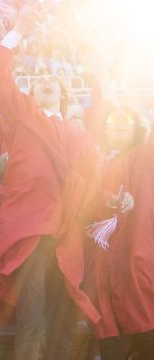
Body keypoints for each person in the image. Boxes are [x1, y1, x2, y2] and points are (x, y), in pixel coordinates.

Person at [0, 8, 100, 360]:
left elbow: (95, 179)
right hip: (32, 228)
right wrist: (18, 30)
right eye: (40, 80)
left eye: (53, 80)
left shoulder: (79, 134)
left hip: (67, 231)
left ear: (63, 93)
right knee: (32, 317)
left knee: (62, 321)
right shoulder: (25, 116)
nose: (46, 81)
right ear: (31, 93)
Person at [90, 106, 154, 359]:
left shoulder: (144, 158)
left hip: (134, 255)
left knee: (144, 324)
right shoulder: (94, 160)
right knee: (110, 334)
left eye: (126, 121)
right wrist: (107, 198)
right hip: (101, 259)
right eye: (113, 119)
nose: (118, 123)